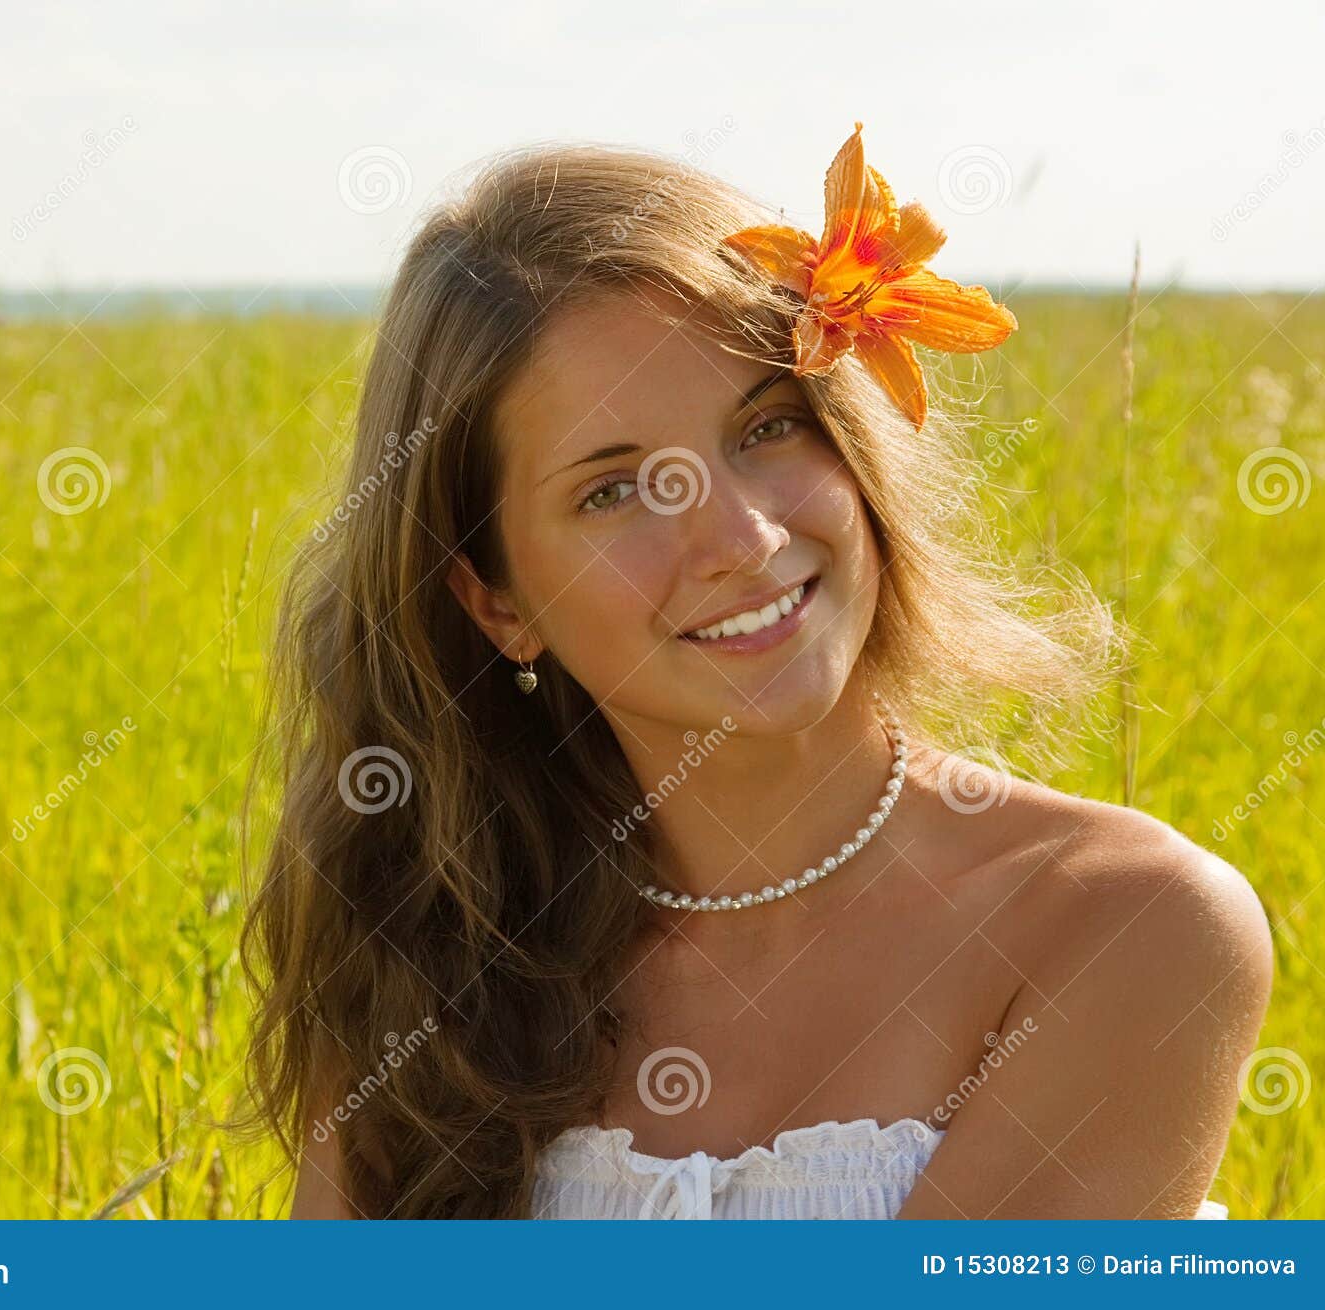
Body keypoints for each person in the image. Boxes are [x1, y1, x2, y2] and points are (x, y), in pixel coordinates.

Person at [243, 125, 1273, 1219]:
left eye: (766, 426)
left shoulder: (1122, 923)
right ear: (497, 603)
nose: (739, 536)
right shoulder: (430, 947)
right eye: (615, 489)